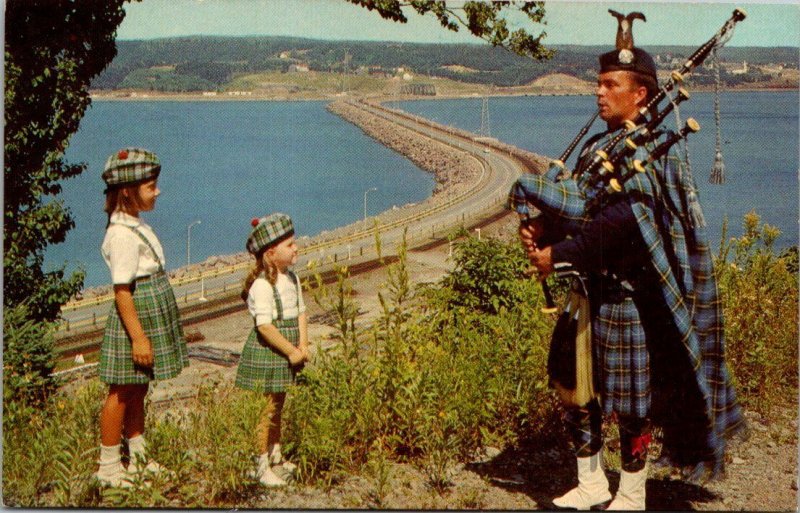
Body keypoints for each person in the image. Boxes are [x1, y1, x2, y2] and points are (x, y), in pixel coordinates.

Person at [510, 20, 744, 511]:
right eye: (598, 83)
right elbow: (584, 207)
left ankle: (632, 494)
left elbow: (623, 225)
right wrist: (544, 228)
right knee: (577, 390)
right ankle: (591, 484)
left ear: (640, 94)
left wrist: (557, 256)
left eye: (609, 84)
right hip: (587, 291)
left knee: (632, 404)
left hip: (628, 297)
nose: (599, 92)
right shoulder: (600, 147)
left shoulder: (657, 150)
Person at [96, 147, 189, 487]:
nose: (157, 191)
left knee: (137, 388)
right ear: (127, 192)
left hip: (148, 313)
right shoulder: (121, 234)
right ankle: (108, 469)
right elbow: (122, 291)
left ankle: (138, 460)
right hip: (135, 319)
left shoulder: (134, 224)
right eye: (151, 186)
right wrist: (138, 337)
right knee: (121, 391)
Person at [235, 213, 310, 487]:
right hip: (269, 351)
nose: (296, 248)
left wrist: (303, 344)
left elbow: (301, 312)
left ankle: (275, 454)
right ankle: (259, 465)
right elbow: (265, 327)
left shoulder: (293, 279)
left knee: (278, 404)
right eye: (289, 245)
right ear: (270, 253)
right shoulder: (262, 285)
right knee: (265, 410)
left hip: (288, 350)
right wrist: (291, 351)